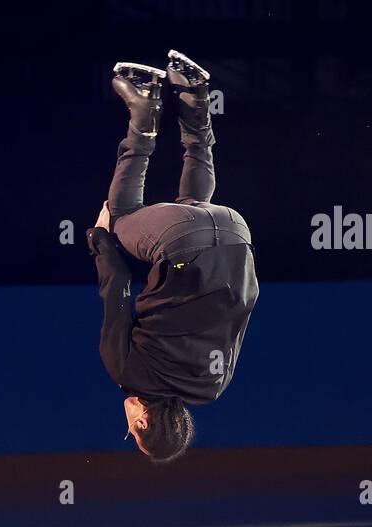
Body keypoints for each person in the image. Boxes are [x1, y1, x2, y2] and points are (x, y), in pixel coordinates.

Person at [88, 50, 259, 462]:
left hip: (235, 235)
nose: (127, 423)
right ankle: (143, 107)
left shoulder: (212, 386)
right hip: (182, 241)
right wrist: (99, 237)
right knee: (123, 214)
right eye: (132, 430)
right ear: (142, 421)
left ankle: (195, 96)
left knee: (195, 203)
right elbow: (116, 292)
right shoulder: (125, 372)